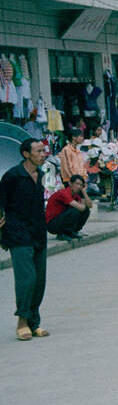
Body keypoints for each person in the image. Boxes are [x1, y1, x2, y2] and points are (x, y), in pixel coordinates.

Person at [1, 140, 53, 340]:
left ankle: (34, 322)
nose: (43, 154)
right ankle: (22, 321)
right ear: (26, 154)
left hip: (38, 231)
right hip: (18, 232)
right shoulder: (12, 176)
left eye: (43, 151)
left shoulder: (40, 174)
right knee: (27, 278)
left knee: (39, 280)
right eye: (38, 151)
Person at [45, 175, 91, 241]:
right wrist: (83, 204)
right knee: (75, 211)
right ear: (70, 183)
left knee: (86, 211)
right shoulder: (64, 193)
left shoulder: (75, 195)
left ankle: (73, 231)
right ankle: (63, 234)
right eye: (77, 184)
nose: (79, 187)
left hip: (61, 219)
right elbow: (81, 208)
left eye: (81, 185)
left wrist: (84, 192)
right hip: (52, 224)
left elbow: (89, 206)